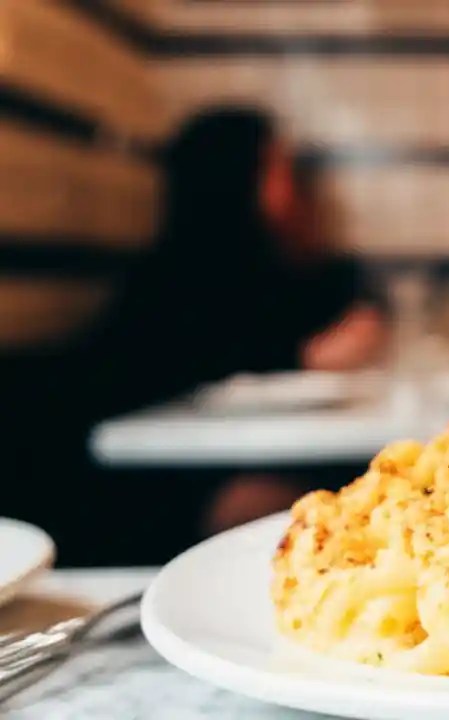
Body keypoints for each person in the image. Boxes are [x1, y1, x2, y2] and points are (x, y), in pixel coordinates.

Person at [18, 107, 387, 563]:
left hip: (217, 464)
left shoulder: (271, 263)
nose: (294, 187)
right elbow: (186, 358)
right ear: (236, 177)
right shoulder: (178, 273)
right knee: (311, 501)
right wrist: (304, 356)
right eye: (278, 169)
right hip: (151, 488)